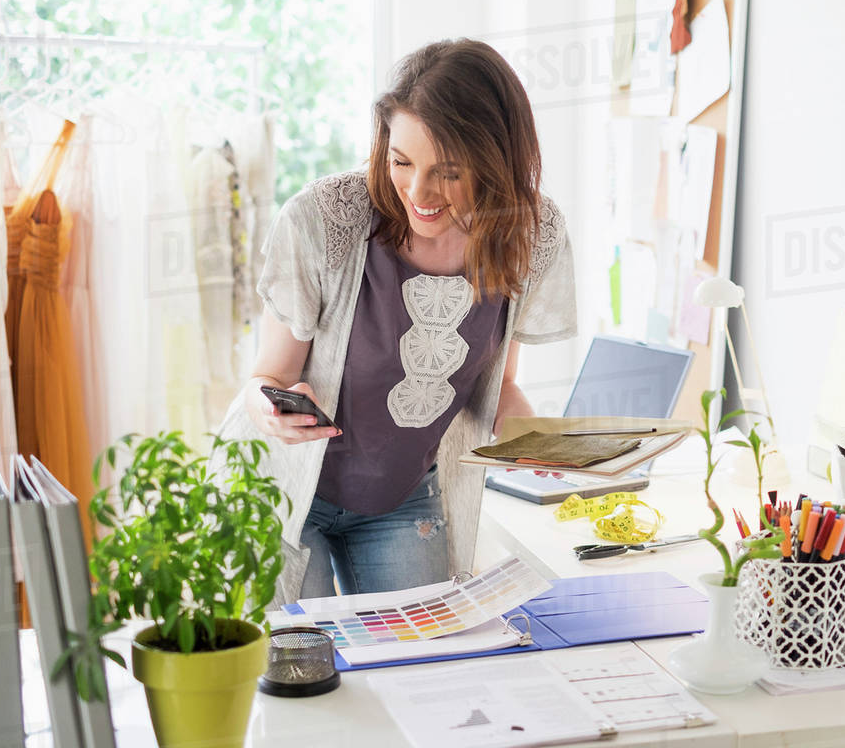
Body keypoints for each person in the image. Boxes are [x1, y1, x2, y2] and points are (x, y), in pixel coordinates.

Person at [218, 39, 577, 605]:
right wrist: (271, 407)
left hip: (400, 496)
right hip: (287, 490)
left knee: (423, 669)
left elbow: (500, 385)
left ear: (497, 162)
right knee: (306, 668)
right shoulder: (323, 220)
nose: (418, 192)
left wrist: (541, 446)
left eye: (448, 172)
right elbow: (270, 377)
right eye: (401, 161)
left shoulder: (527, 236)